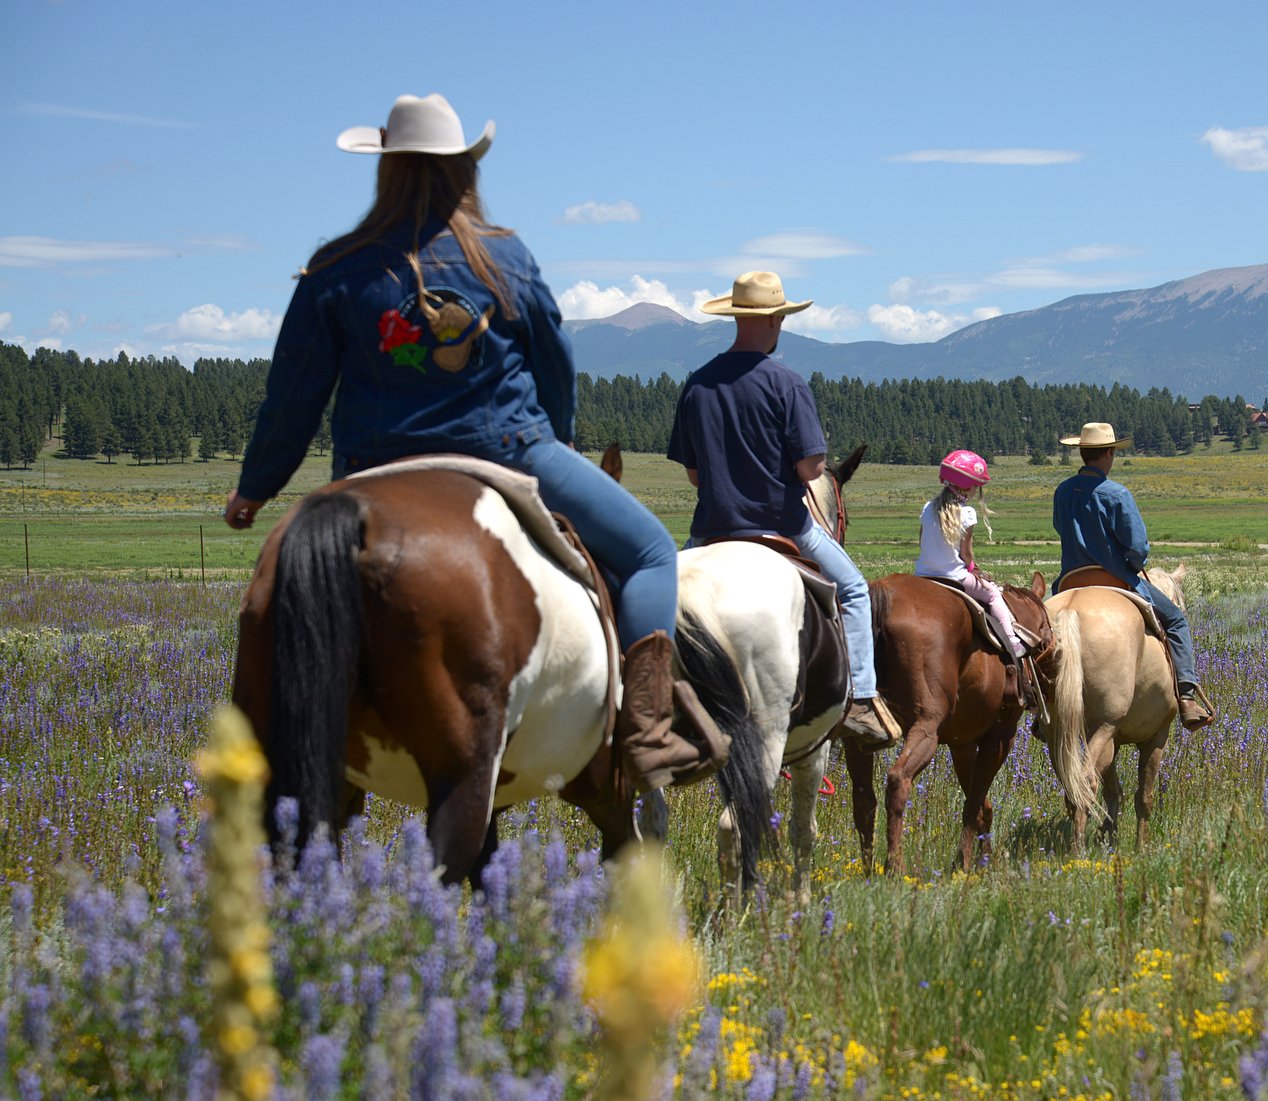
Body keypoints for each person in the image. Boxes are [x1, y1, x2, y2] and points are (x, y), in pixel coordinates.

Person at [222, 92, 725, 792]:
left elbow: (293, 395)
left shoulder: (336, 267)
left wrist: (257, 485)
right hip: (510, 448)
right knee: (647, 551)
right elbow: (555, 369)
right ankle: (644, 731)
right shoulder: (504, 259)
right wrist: (558, 443)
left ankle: (254, 738)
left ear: (386, 168)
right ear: (462, 169)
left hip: (372, 465)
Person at [667, 271, 897, 747]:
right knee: (854, 591)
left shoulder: (697, 384)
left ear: (735, 318)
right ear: (774, 320)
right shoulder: (786, 383)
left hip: (710, 531)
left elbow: (693, 475)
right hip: (783, 525)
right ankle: (861, 701)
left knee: (659, 597)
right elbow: (812, 467)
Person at [1052, 421, 1214, 730]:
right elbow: (1138, 548)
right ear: (1109, 453)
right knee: (1177, 621)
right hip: (1117, 580)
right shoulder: (1116, 494)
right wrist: (1127, 560)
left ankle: (1042, 707)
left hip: (1069, 580)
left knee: (1044, 628)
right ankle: (1188, 698)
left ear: (1083, 453)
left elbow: (1060, 528)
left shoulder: (1062, 492)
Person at [914, 449, 1037, 706]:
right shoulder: (966, 513)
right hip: (954, 578)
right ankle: (1013, 641)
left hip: (923, 577)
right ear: (969, 486)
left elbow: (922, 542)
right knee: (992, 593)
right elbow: (966, 553)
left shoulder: (928, 508)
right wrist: (974, 570)